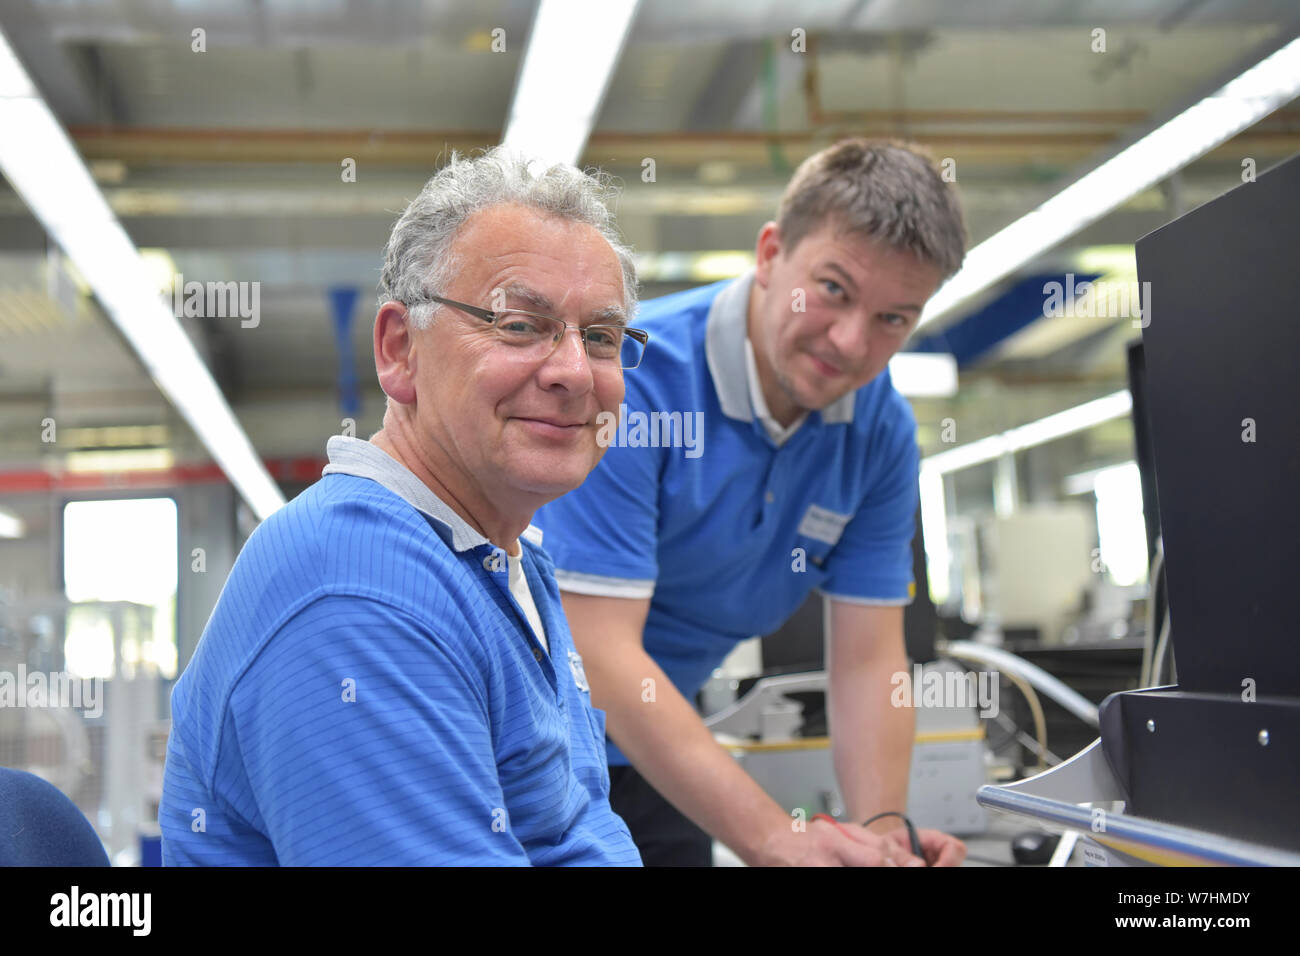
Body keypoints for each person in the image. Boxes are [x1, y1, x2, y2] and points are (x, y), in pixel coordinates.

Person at [160, 148, 648, 865]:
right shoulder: (355, 596)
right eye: (518, 324)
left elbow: (574, 832)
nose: (575, 371)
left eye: (601, 337)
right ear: (399, 350)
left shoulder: (501, 560)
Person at [533, 139, 969, 867]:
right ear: (771, 255)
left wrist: (883, 839)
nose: (852, 341)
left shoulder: (879, 430)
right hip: (530, 755)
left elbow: (868, 661)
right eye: (833, 289)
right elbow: (599, 652)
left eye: (895, 319)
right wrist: (771, 835)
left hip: (657, 761)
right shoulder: (632, 380)